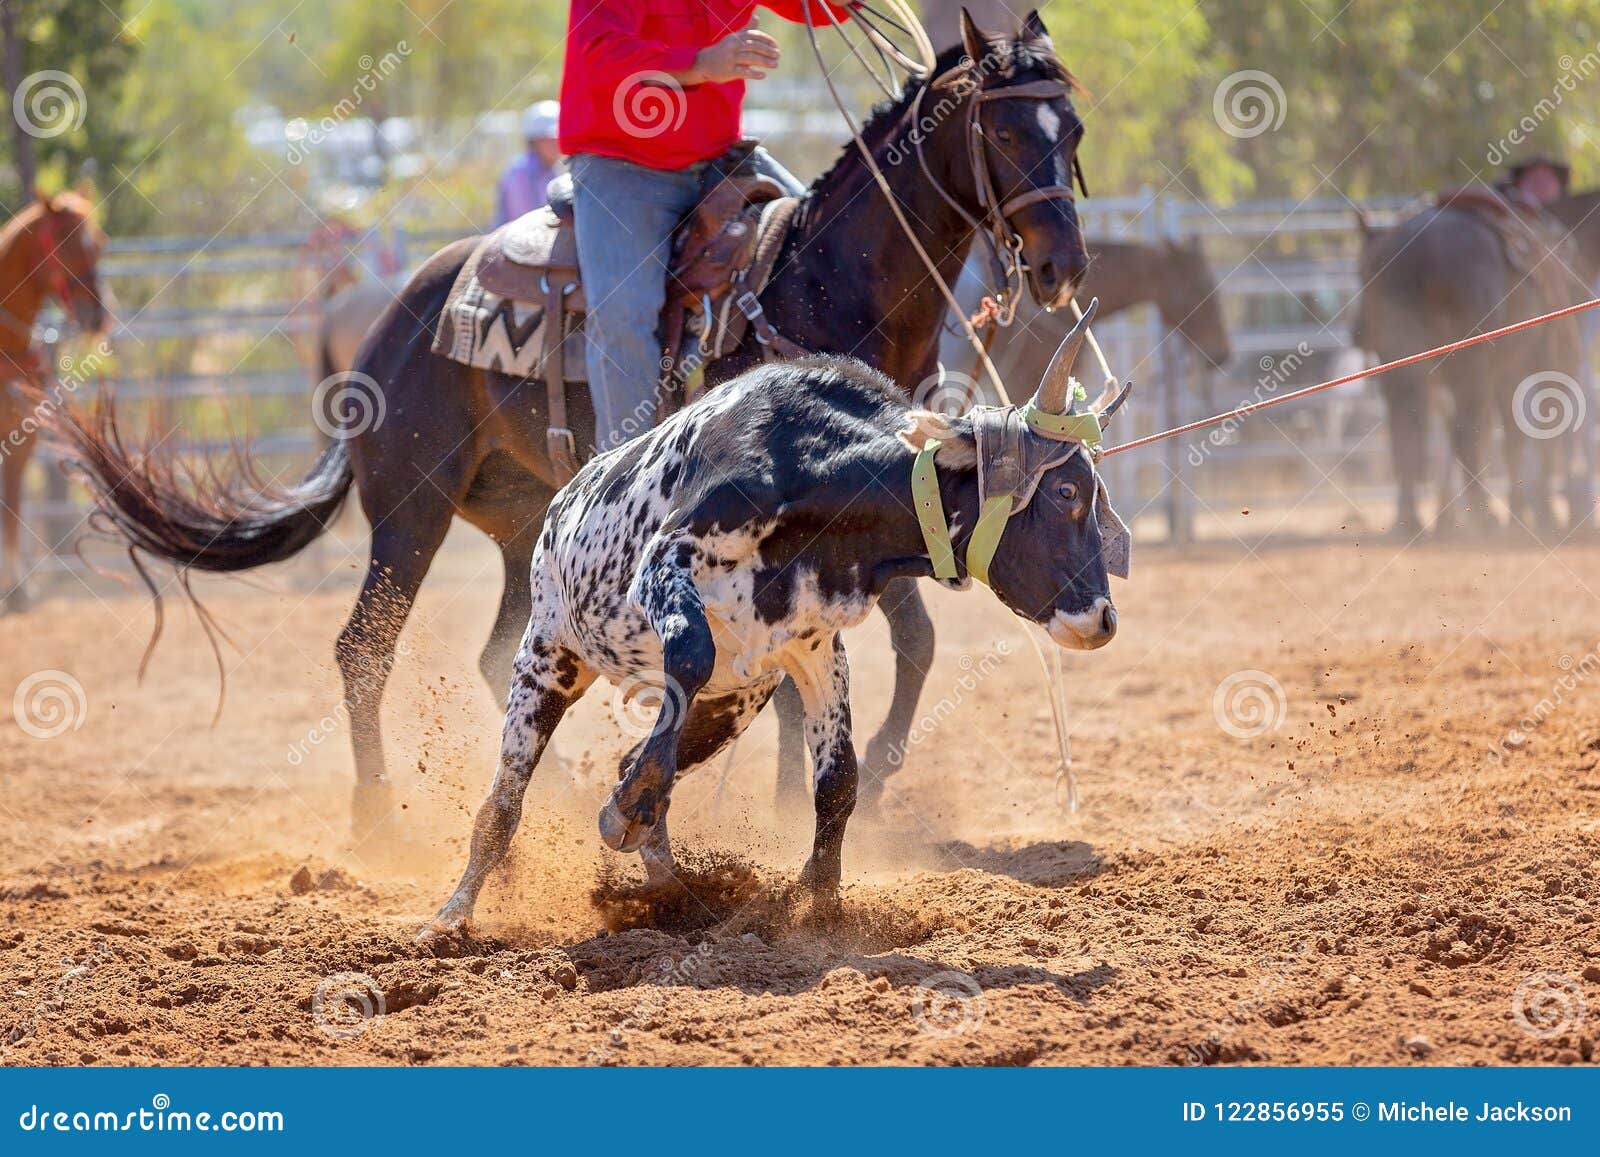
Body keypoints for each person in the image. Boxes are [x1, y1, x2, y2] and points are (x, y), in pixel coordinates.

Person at [560, 1, 848, 452]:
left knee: (832, 250)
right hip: (621, 163)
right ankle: (620, 481)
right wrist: (700, 65)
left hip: (719, 157)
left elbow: (820, 8)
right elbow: (598, 51)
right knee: (624, 313)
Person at [494, 100, 562, 228]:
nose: (555, 144)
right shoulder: (520, 173)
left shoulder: (554, 170)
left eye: (558, 138)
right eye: (548, 139)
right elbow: (523, 221)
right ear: (534, 141)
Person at [1502, 155, 1570, 211]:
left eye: (1549, 180)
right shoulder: (1500, 192)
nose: (1543, 182)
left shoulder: (1547, 223)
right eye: (1536, 179)